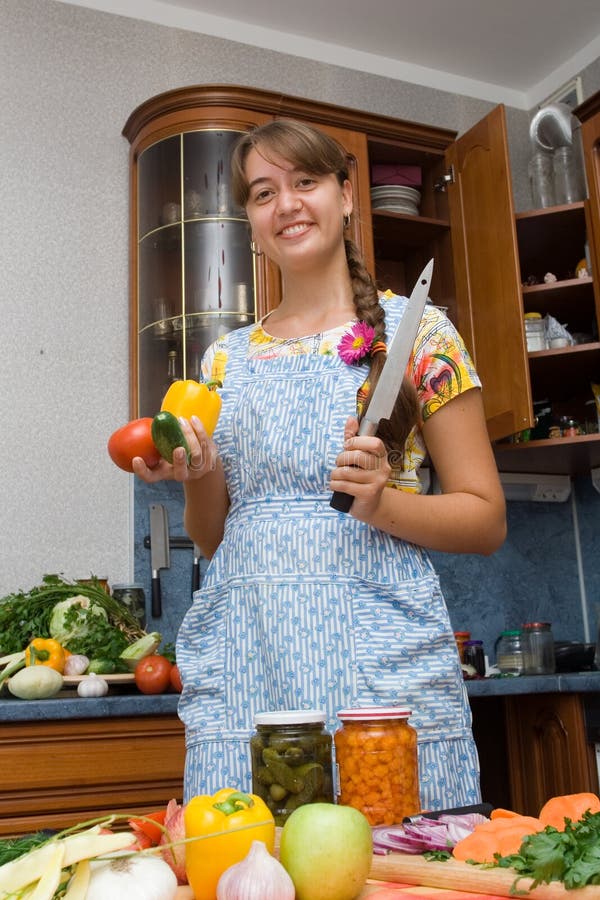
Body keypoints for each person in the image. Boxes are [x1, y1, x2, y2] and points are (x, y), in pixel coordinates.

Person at [133, 118, 506, 811]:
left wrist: (382, 503)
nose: (287, 204)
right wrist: (201, 473)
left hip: (378, 668)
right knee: (249, 868)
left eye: (305, 181)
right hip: (251, 656)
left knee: (398, 867)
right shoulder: (222, 361)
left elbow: (485, 519)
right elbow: (217, 539)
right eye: (264, 192)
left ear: (344, 193)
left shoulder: (420, 333)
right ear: (251, 221)